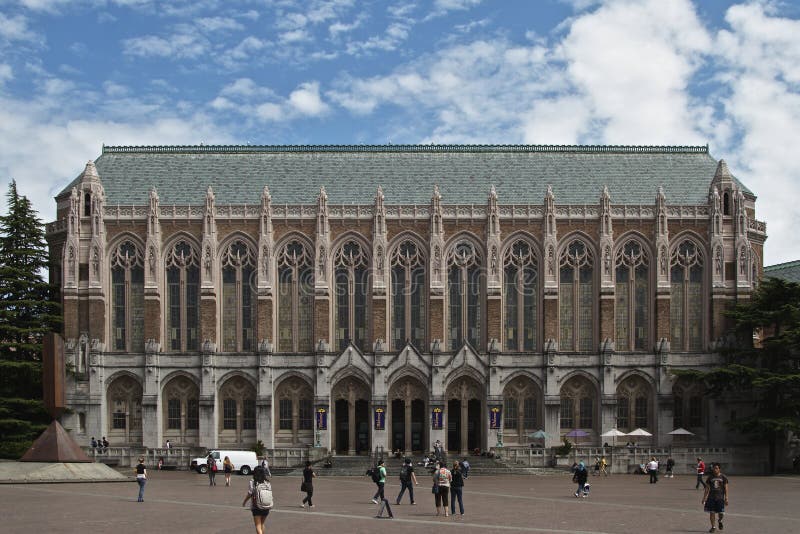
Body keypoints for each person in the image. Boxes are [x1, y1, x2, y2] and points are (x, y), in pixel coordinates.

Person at [242, 466, 271, 534]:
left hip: (256, 506)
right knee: (262, 524)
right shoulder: (267, 482)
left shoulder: (253, 481)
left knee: (258, 525)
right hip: (266, 505)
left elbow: (250, 493)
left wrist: (244, 502)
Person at [701, 462, 729, 532]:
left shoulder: (723, 477)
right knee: (712, 512)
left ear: (719, 469)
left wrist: (726, 498)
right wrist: (704, 498)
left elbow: (726, 488)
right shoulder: (710, 477)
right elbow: (707, 488)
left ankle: (720, 521)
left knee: (721, 513)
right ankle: (713, 527)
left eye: (716, 468)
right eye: (714, 468)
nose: (715, 470)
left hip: (720, 498)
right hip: (711, 498)